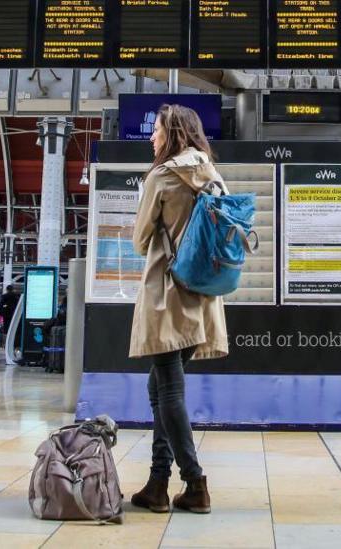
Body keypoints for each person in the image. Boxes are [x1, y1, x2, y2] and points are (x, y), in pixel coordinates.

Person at [127, 104, 227, 515]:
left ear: (173, 134)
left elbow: (139, 238)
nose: (152, 137)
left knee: (168, 389)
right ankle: (156, 484)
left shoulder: (163, 175)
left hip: (167, 293)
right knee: (160, 388)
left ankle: (195, 481)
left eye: (157, 131)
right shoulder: (212, 175)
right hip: (202, 295)